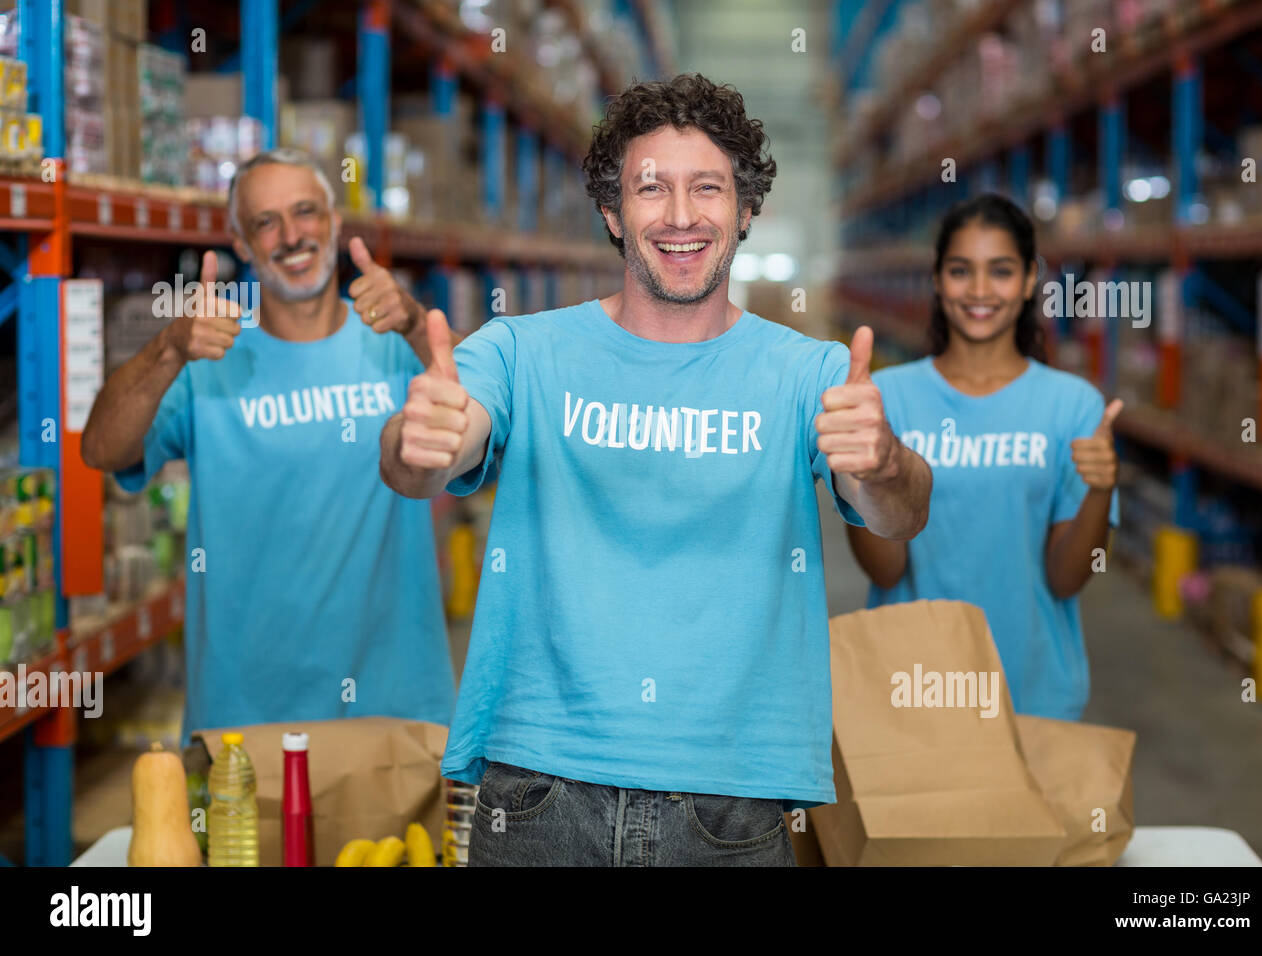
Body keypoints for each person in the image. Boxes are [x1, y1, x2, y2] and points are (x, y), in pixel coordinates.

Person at [380, 73, 932, 866]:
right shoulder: (518, 350)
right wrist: (422, 440)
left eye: (707, 188)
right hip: (538, 790)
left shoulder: (811, 373)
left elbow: (898, 515)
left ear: (746, 210)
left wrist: (880, 463)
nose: (680, 216)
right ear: (612, 211)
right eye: (651, 188)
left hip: (732, 800)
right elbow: (432, 454)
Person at [81, 148, 458, 740]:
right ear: (240, 241)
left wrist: (415, 323)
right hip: (245, 728)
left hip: (396, 719)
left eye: (306, 212)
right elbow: (101, 450)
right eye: (266, 221)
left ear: (335, 222)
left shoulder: (391, 345)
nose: (291, 235)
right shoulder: (207, 359)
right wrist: (168, 350)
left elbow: (492, 411)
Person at [847, 193, 1121, 721]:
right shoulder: (888, 398)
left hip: (1033, 696)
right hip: (912, 694)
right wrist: (865, 474)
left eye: (999, 271)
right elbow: (886, 572)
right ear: (936, 279)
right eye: (960, 270)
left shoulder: (1072, 406)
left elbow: (1067, 579)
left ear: (1027, 281)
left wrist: (1102, 488)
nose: (978, 290)